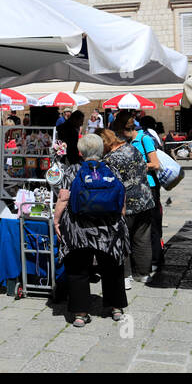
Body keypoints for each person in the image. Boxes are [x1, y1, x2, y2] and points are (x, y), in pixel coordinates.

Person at [53, 133, 128, 326]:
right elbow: (122, 196)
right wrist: (121, 217)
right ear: (101, 150)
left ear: (80, 151)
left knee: (77, 269)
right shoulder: (111, 169)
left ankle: (80, 313)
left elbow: (63, 198)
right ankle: (116, 308)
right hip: (108, 228)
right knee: (112, 266)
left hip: (79, 228)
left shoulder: (73, 171)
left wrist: (56, 220)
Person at [103, 127, 152, 290]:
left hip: (126, 204)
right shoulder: (132, 148)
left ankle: (125, 275)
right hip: (145, 198)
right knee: (142, 237)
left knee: (121, 238)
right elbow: (144, 168)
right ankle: (144, 273)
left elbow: (112, 184)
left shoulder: (110, 158)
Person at [137, 114, 165, 273]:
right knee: (147, 223)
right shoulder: (150, 135)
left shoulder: (146, 137)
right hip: (145, 185)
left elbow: (155, 163)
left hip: (150, 184)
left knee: (152, 223)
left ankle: (156, 258)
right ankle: (153, 257)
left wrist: (136, 166)